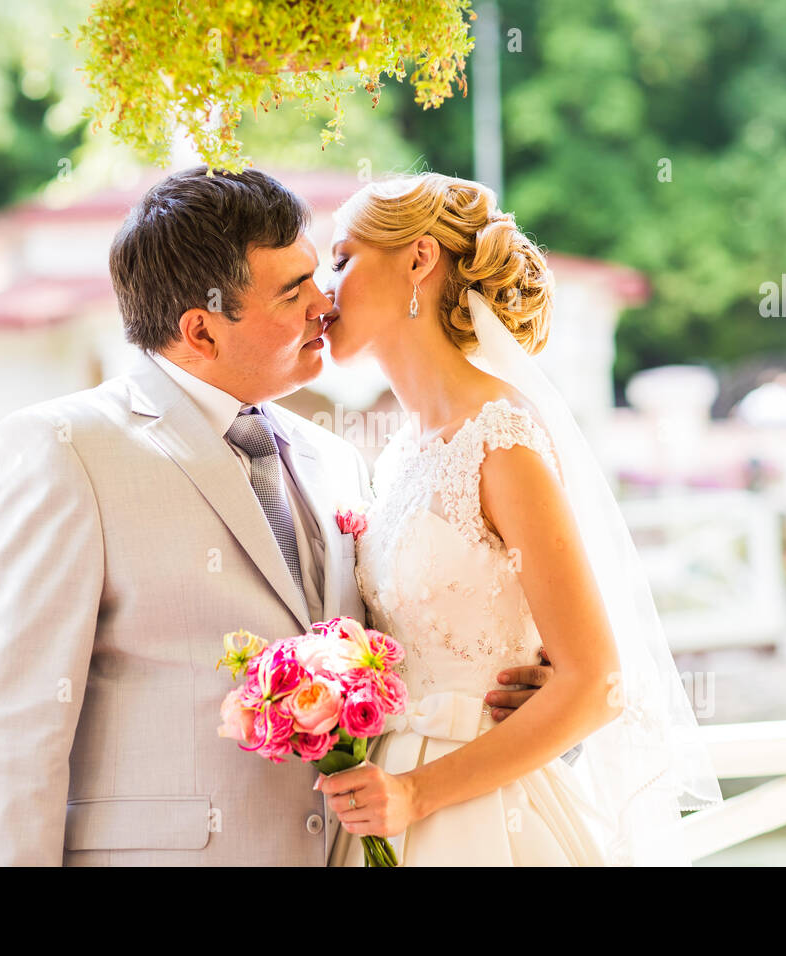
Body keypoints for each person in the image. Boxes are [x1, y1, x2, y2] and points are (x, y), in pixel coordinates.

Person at [0, 165, 555, 865]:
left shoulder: (336, 460)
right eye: (293, 292)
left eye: (318, 275)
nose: (325, 303)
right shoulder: (66, 450)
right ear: (200, 331)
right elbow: (5, 726)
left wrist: (529, 679)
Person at [317, 172, 723, 866]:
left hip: (473, 813)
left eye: (343, 259)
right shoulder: (399, 454)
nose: (326, 286)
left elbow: (595, 683)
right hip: (384, 809)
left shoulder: (500, 440)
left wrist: (416, 792)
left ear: (419, 260)